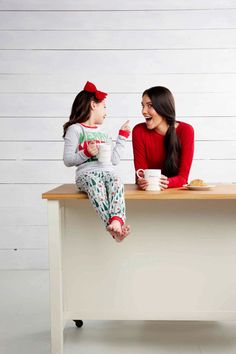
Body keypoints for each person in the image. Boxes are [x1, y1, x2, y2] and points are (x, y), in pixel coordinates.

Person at [63, 81, 131, 242]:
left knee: (116, 180)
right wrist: (86, 153)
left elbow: (113, 160)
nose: (106, 111)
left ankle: (116, 222)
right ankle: (115, 229)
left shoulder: (104, 132)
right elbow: (68, 160)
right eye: (104, 107)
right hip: (87, 175)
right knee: (96, 182)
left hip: (107, 172)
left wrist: (122, 136)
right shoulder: (76, 129)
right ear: (93, 105)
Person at [132, 86, 194, 189]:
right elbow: (140, 173)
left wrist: (163, 183)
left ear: (163, 108)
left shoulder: (186, 131)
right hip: (148, 193)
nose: (143, 111)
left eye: (150, 106)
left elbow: (183, 178)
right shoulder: (139, 131)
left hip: (175, 194)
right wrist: (141, 181)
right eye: (143, 106)